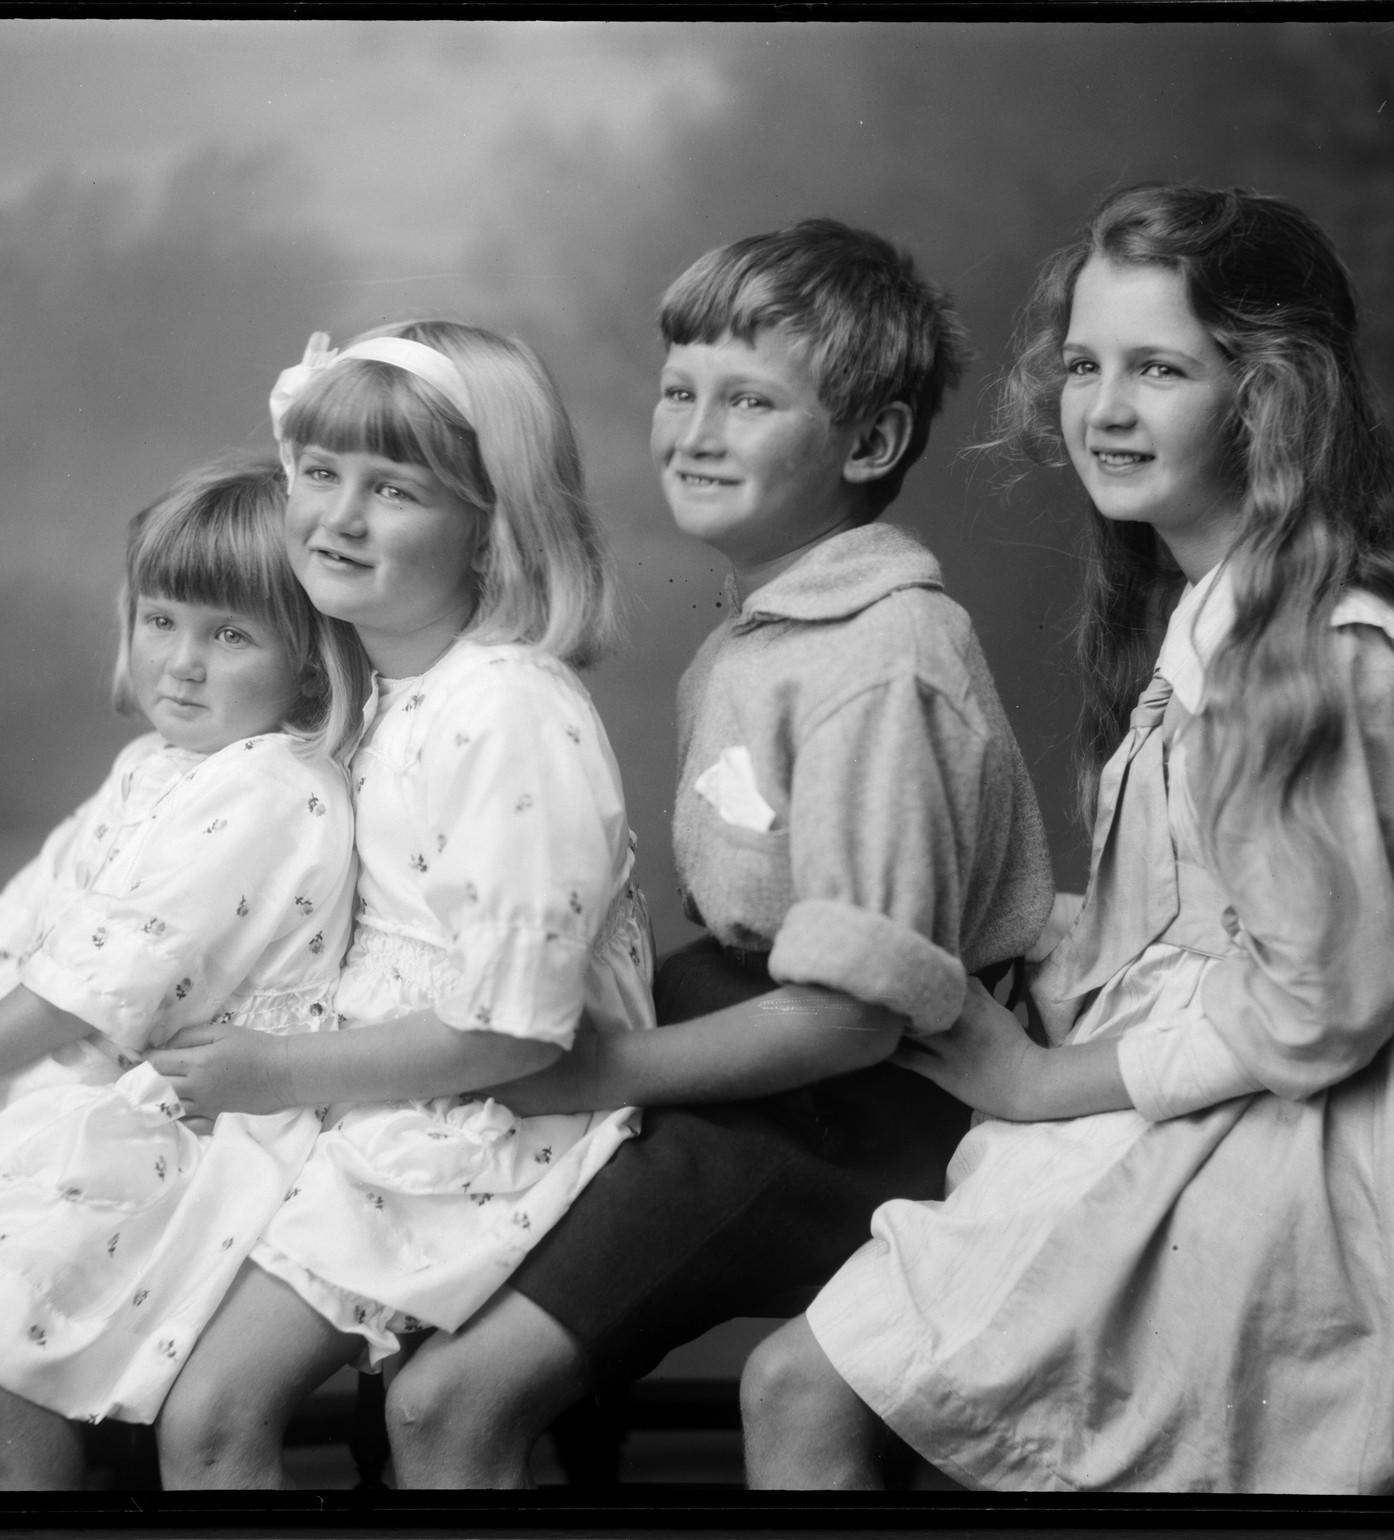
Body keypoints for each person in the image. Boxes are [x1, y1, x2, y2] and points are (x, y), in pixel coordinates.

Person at [738, 183, 1394, 1493]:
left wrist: (1040, 1082)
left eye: (1159, 369)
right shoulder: (1221, 597)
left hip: (1342, 1123)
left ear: (1269, 400)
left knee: (800, 1384)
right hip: (1276, 1061)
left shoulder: (1309, 653)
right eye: (1085, 365)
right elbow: (1206, 909)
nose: (1104, 407)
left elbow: (1325, 1008)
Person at [380, 220, 1054, 1488]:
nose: (693, 429)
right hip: (762, 1038)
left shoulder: (878, 659)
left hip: (870, 1102)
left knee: (443, 1404)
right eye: (680, 390)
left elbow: (855, 1017)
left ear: (868, 442)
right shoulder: (760, 633)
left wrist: (601, 1072)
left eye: (747, 400)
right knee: (425, 1202)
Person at [0, 453, 369, 1486]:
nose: (181, 661)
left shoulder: (274, 787)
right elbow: (8, 940)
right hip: (71, 1087)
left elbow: (98, 977)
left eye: (229, 634)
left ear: (310, 664)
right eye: (162, 620)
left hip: (189, 1124)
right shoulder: (148, 769)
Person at [144, 321, 655, 1489]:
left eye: (394, 490)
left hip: (489, 1117)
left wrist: (272, 1073)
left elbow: (517, 1029)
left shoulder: (508, 710)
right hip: (375, 1092)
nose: (338, 517)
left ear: (490, 523)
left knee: (214, 1418)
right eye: (318, 475)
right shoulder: (382, 691)